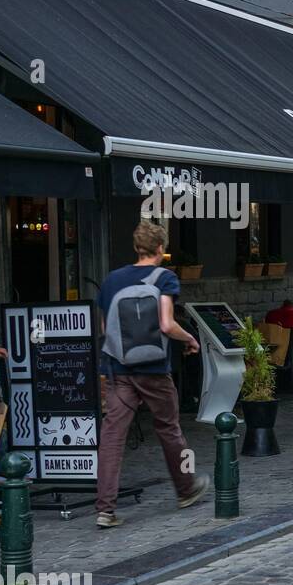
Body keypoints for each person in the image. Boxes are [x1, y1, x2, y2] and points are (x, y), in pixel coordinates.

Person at [94, 220, 210, 529]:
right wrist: (189, 339)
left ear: (136, 247)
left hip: (119, 369)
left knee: (112, 437)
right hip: (154, 370)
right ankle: (186, 488)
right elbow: (166, 324)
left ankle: (105, 508)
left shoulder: (111, 281)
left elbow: (106, 329)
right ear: (161, 249)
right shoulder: (164, 278)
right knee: (169, 428)